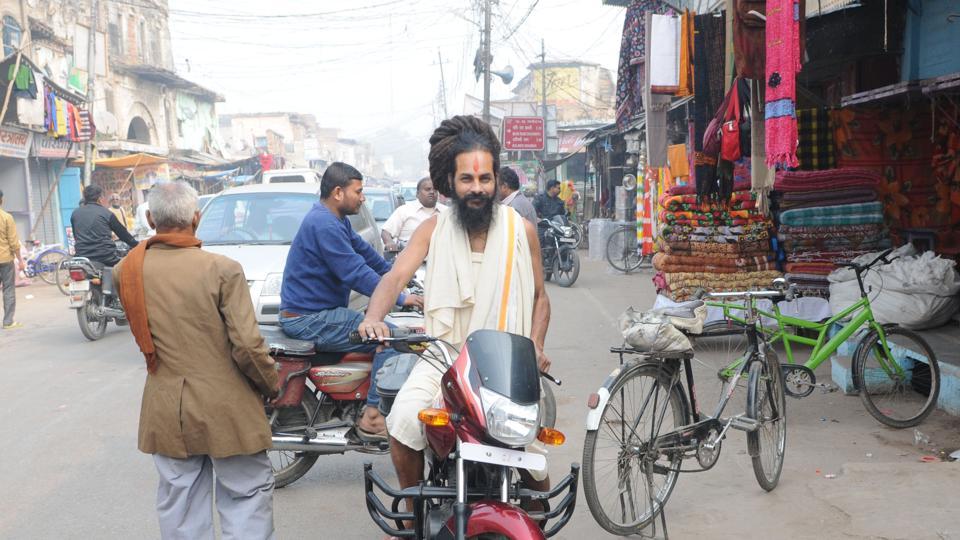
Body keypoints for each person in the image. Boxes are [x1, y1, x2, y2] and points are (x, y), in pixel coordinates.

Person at [357, 115, 553, 520]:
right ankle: (415, 513)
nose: (477, 188)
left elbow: (540, 297)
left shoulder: (522, 231)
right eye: (467, 179)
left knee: (537, 475)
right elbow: (394, 277)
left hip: (506, 364)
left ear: (497, 179)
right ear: (451, 180)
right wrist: (374, 316)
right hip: (444, 358)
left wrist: (536, 344)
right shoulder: (432, 228)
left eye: (485, 178)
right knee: (403, 425)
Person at [114, 181, 280, 540]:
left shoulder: (127, 270)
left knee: (182, 503)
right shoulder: (222, 269)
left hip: (166, 407)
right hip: (228, 405)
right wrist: (271, 384)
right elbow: (248, 346)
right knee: (246, 495)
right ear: (196, 218)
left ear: (148, 217)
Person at [279, 162, 423, 441]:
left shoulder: (335, 220)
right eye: (358, 191)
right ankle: (372, 416)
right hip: (310, 319)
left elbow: (367, 257)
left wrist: (402, 278)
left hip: (319, 313)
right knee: (391, 338)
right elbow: (354, 272)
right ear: (337, 192)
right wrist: (402, 297)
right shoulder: (323, 224)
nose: (363, 197)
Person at [71, 185, 139, 267]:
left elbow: (76, 236)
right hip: (106, 257)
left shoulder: (75, 214)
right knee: (126, 269)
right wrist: (137, 245)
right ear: (99, 198)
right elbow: (123, 234)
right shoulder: (107, 213)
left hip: (82, 257)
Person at [380, 177, 445, 251]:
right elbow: (386, 232)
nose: (432, 192)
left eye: (435, 190)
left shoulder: (446, 212)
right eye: (427, 189)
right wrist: (389, 243)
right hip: (411, 258)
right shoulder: (404, 211)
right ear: (417, 193)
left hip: (440, 258)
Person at [0, 188, 25, 329]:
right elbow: (14, 242)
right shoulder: (6, 217)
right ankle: (8, 321)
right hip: (4, 260)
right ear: (1, 200)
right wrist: (20, 260)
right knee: (8, 289)